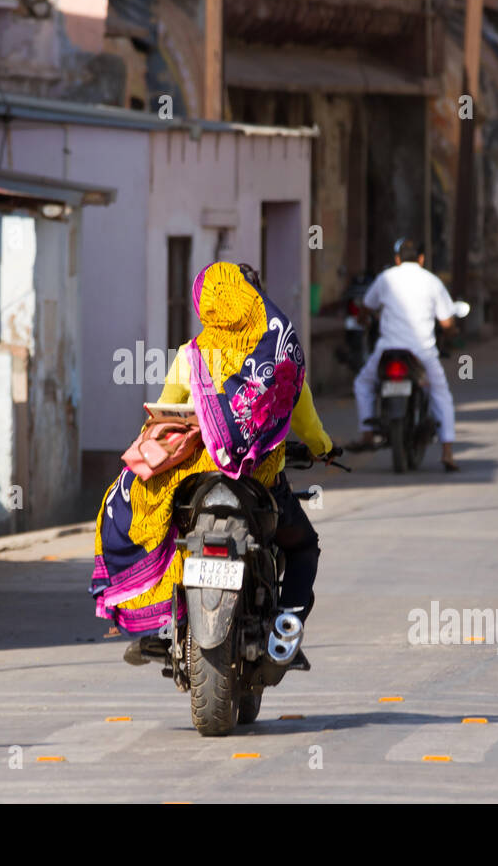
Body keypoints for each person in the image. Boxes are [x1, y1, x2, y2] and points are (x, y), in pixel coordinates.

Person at [91, 262, 336, 662]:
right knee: (303, 546)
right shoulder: (277, 356)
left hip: (197, 480)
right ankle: (286, 622)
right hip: (259, 480)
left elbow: (167, 411)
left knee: (167, 536)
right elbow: (305, 419)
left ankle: (168, 622)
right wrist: (324, 447)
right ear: (255, 300)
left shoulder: (192, 354)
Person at [351, 238, 460, 471]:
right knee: (440, 393)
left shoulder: (386, 278)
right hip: (423, 351)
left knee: (363, 383)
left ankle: (367, 433)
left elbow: (366, 308)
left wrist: (364, 320)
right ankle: (448, 451)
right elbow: (447, 321)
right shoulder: (432, 282)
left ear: (398, 258)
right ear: (421, 258)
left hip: (387, 350)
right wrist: (451, 331)